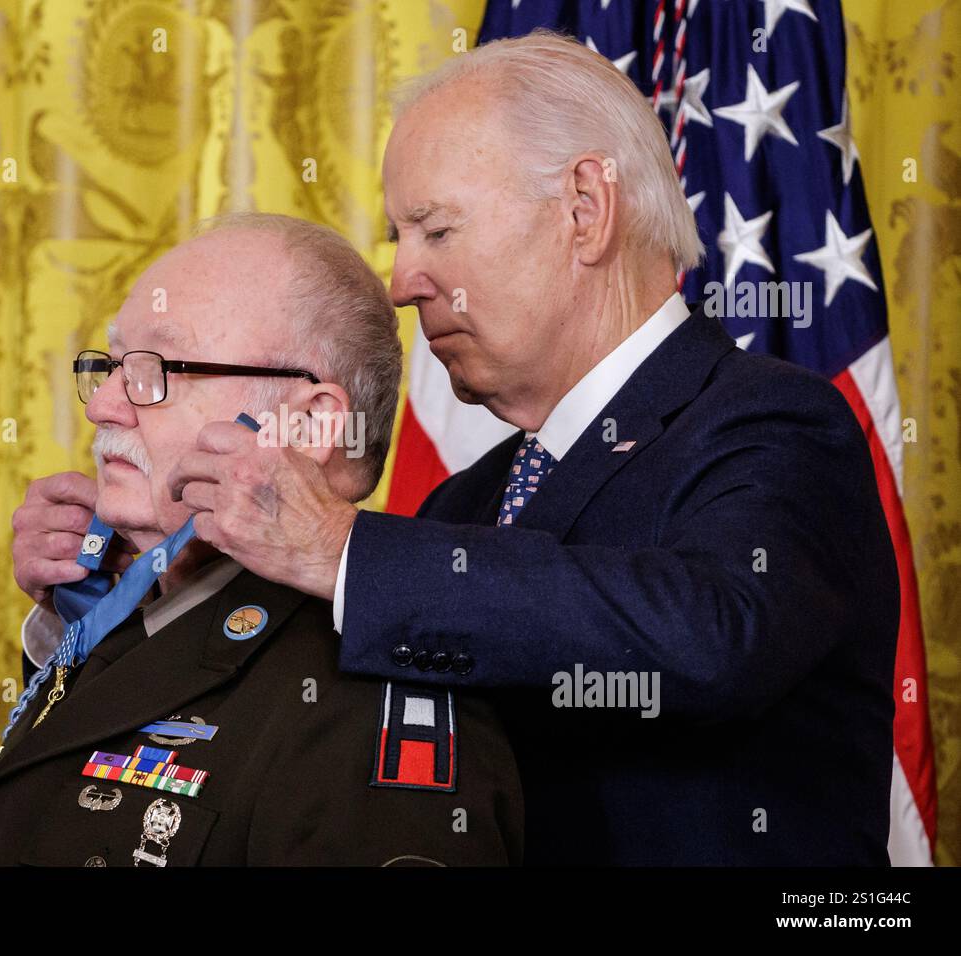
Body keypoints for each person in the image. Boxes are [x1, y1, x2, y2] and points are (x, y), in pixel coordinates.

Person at [144, 34, 899, 865]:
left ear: (584, 208)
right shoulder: (460, 506)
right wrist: (123, 588)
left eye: (434, 230)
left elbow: (713, 639)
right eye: (401, 237)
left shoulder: (781, 426)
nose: (401, 282)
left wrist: (337, 546)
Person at [0, 213, 524, 867]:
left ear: (307, 426)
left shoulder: (371, 701)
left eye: (157, 368)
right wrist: (68, 615)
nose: (103, 404)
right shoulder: (129, 609)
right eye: (110, 366)